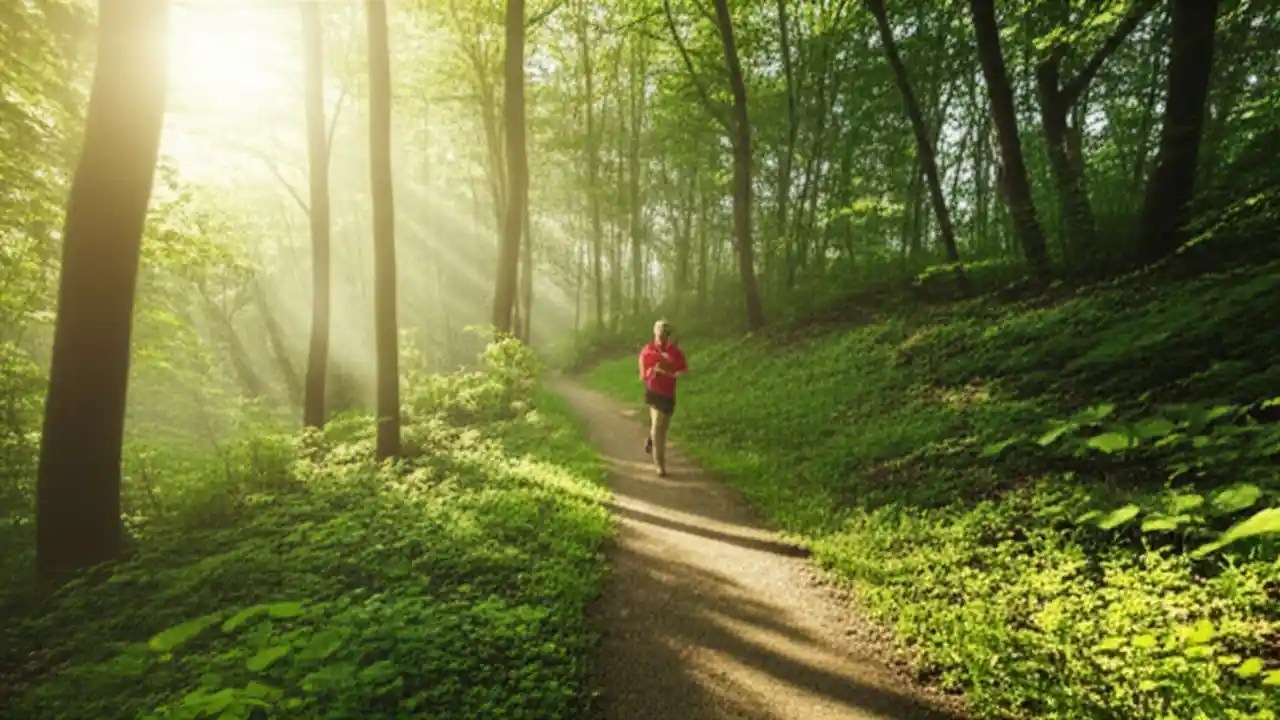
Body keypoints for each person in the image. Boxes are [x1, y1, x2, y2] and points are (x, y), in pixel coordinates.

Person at [638, 319, 687, 477]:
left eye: (665, 333)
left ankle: (652, 440)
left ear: (668, 335)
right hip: (654, 392)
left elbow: (683, 369)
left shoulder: (675, 352)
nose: (662, 335)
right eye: (659, 332)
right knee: (658, 425)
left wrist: (674, 374)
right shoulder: (647, 351)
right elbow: (643, 373)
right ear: (655, 332)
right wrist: (653, 371)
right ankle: (660, 465)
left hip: (669, 393)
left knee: (662, 427)